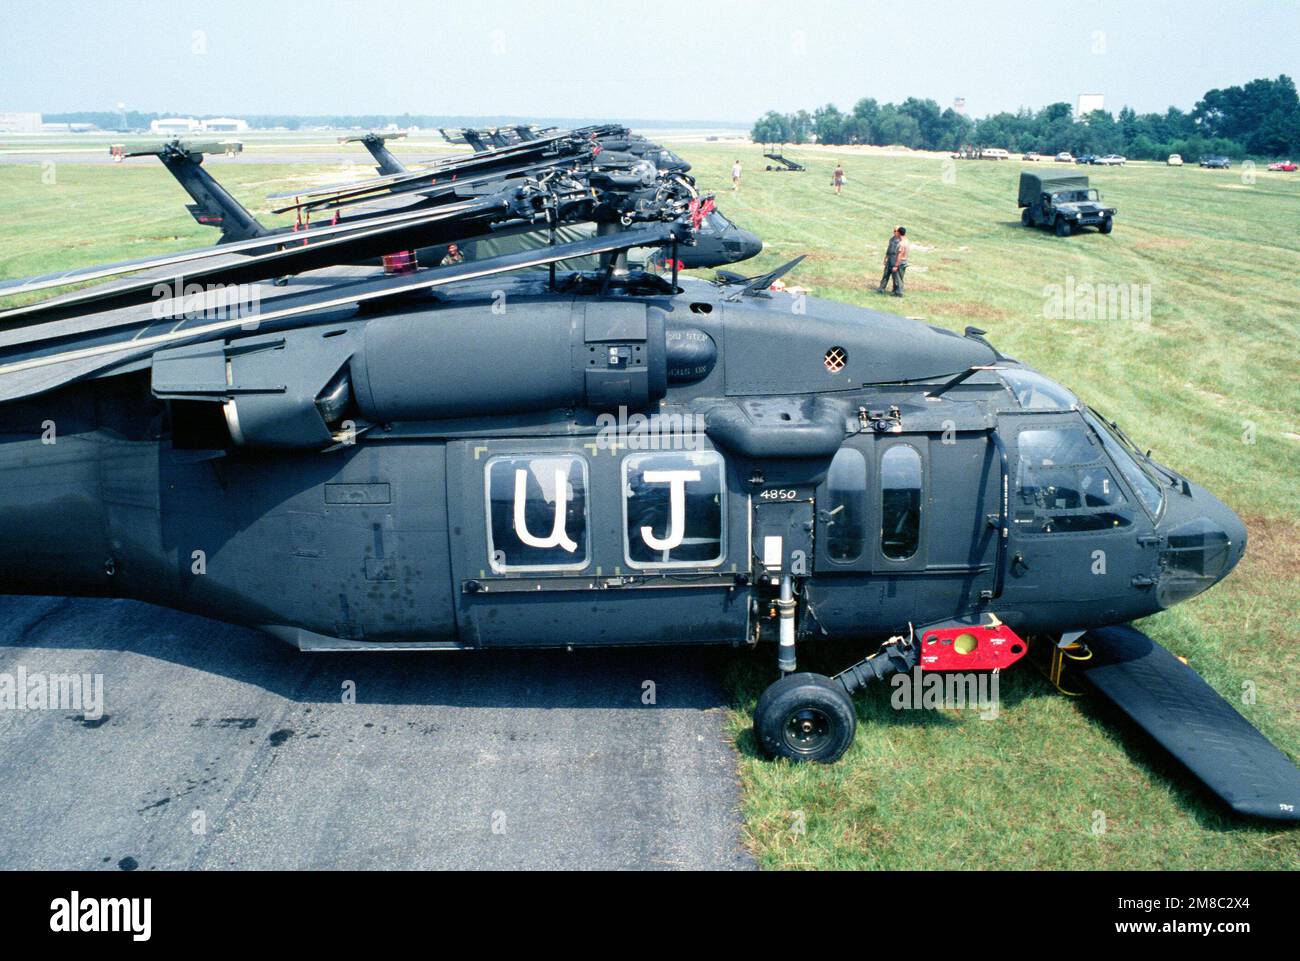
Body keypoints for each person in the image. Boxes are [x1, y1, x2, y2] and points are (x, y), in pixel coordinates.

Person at [877, 227, 901, 294]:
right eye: (894, 230)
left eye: (896, 231)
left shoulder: (901, 241)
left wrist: (897, 263)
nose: (894, 232)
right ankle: (881, 288)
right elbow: (888, 249)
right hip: (889, 259)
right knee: (885, 274)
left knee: (895, 277)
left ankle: (895, 290)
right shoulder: (892, 239)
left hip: (895, 259)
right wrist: (885, 258)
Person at [890, 227, 909, 297]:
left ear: (898, 233)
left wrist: (896, 266)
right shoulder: (907, 241)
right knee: (900, 278)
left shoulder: (901, 243)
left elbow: (900, 255)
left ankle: (899, 293)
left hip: (900, 263)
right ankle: (896, 292)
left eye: (896, 232)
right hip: (904, 262)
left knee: (898, 279)